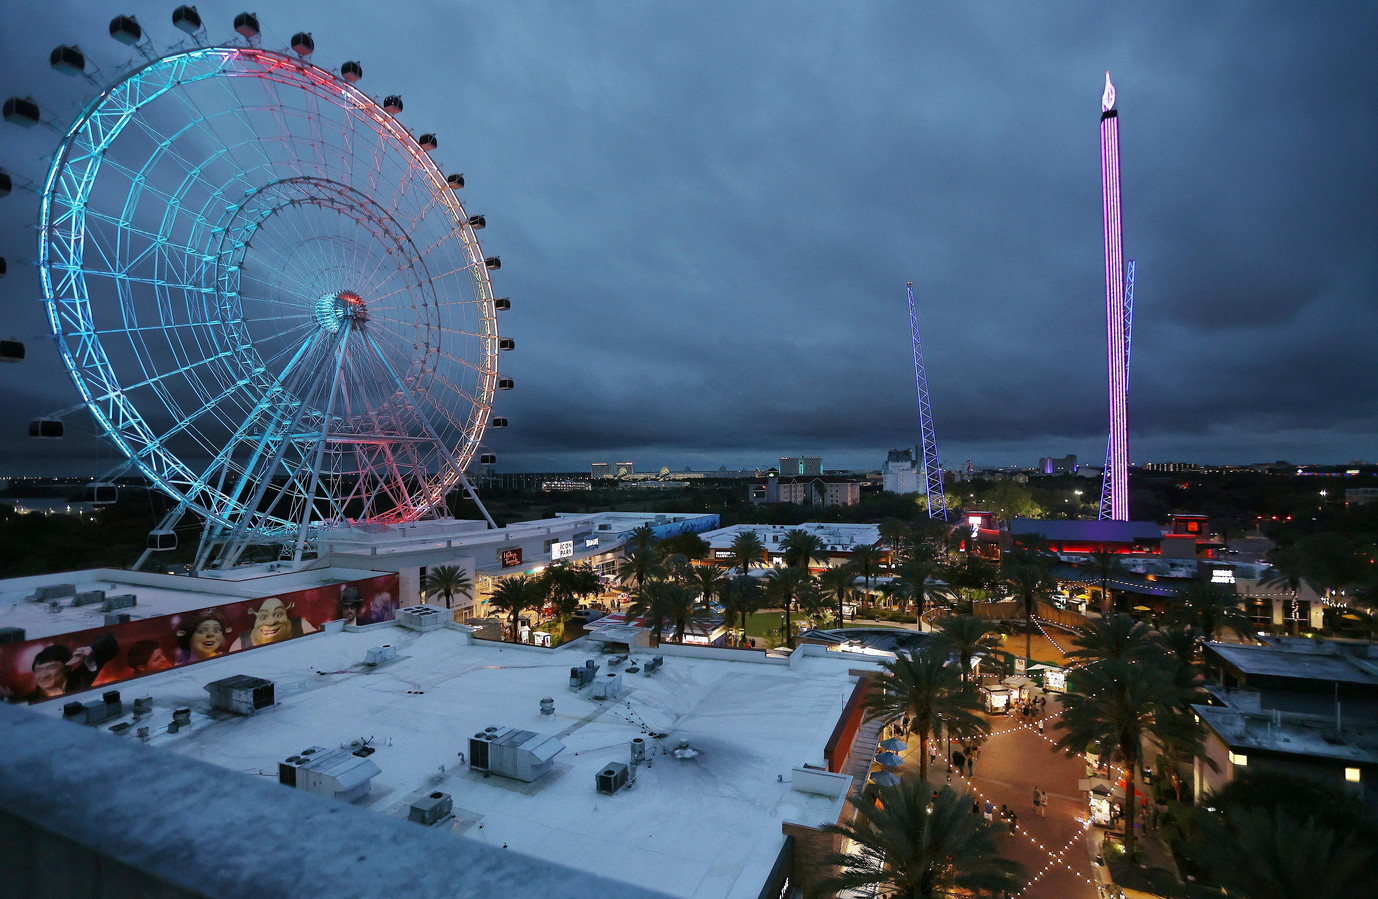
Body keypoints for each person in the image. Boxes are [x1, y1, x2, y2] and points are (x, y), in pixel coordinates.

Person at [24, 634, 120, 702]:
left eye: (51, 668)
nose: (44, 675)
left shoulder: (79, 679)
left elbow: (111, 643)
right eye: (39, 670)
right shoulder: (28, 701)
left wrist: (90, 649)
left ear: (67, 667)